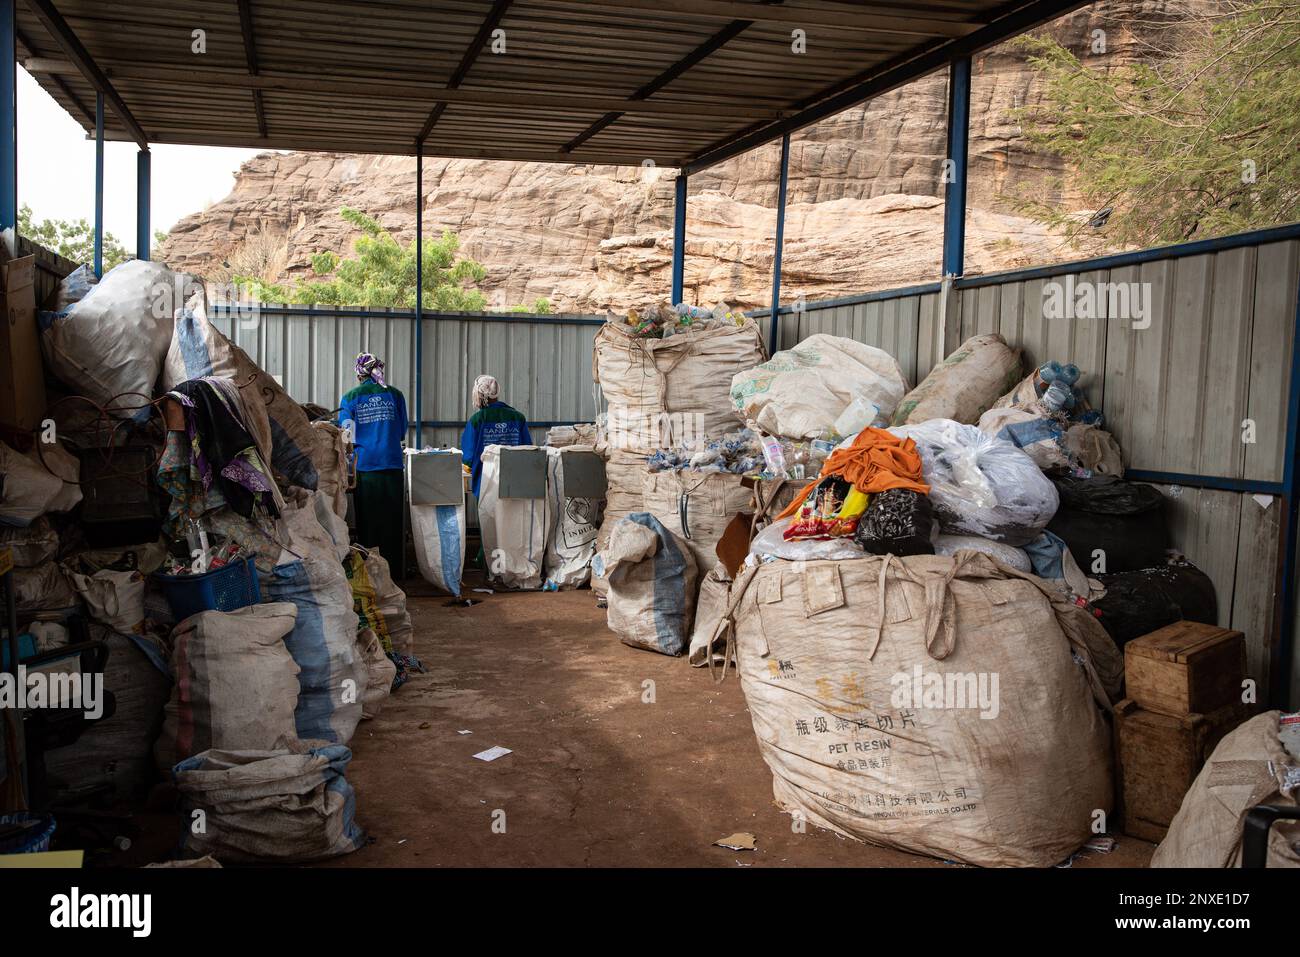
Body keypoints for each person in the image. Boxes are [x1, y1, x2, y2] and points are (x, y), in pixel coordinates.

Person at [339, 352, 407, 573]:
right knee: (393, 520)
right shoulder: (395, 395)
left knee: (369, 522)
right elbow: (402, 430)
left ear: (359, 374)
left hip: (366, 467)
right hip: (393, 465)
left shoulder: (350, 398)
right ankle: (395, 570)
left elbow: (346, 437)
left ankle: (371, 571)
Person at [461, 374, 531, 497]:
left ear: (479, 395)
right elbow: (528, 450)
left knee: (487, 515)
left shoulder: (476, 420)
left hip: (485, 485)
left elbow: (468, 459)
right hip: (515, 485)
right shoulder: (518, 417)